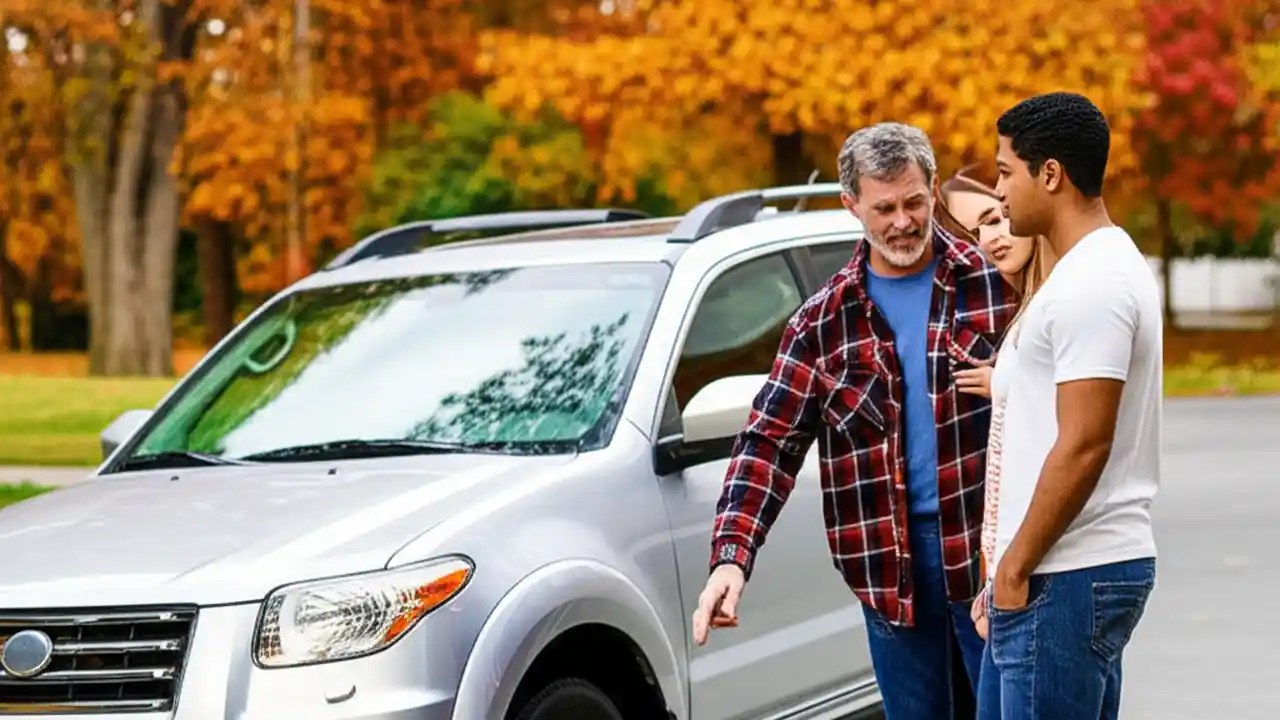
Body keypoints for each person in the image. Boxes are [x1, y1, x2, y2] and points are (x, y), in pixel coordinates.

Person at [690, 121, 1017, 720]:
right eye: (884, 207)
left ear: (934, 188)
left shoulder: (995, 286)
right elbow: (768, 443)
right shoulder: (823, 323)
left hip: (990, 558)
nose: (902, 221)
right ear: (851, 205)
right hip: (887, 567)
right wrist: (731, 558)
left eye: (915, 202)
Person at [978, 92, 1163, 720]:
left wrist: (1015, 566)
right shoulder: (1085, 271)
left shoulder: (1095, 282)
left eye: (1005, 171)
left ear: (1050, 173)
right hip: (1054, 572)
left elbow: (1085, 442)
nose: (998, 194)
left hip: (1066, 573)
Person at [938, 165, 1059, 644]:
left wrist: (1009, 383)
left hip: (1049, 569)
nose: (989, 238)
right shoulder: (1020, 300)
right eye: (975, 230)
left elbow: (1083, 431)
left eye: (997, 215)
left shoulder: (1058, 299)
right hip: (1006, 568)